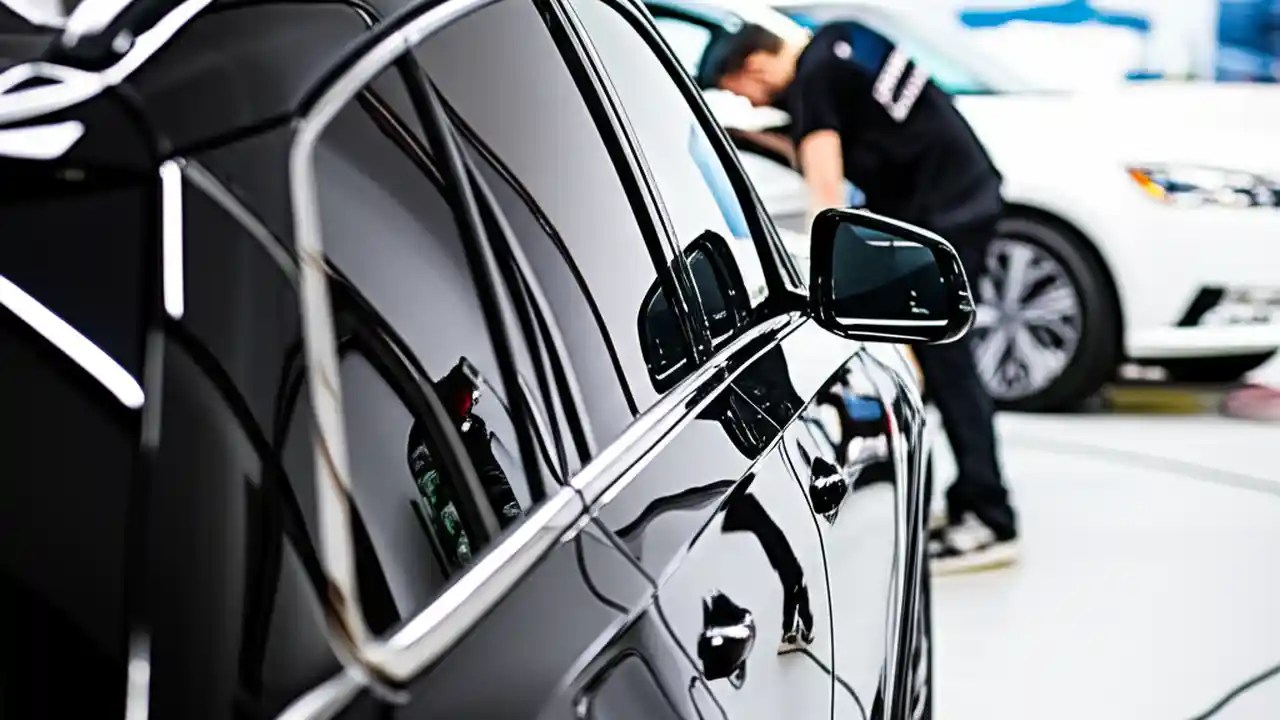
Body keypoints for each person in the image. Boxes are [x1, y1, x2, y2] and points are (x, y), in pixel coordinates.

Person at [705, 22, 1018, 573]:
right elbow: (847, 139)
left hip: (943, 217)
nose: (750, 103)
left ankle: (989, 516)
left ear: (754, 65)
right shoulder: (841, 39)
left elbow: (827, 191)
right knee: (938, 362)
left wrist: (825, 274)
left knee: (946, 360)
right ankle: (961, 493)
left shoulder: (814, 79)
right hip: (967, 193)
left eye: (741, 93)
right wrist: (755, 139)